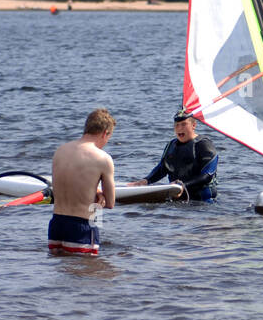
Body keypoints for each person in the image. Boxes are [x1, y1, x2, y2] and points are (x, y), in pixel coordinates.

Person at [48, 108, 116, 256]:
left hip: (56, 224)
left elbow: (71, 184)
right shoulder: (103, 158)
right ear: (105, 133)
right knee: (88, 275)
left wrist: (95, 190)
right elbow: (110, 203)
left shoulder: (61, 151)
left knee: (62, 273)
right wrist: (101, 197)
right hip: (82, 225)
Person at [129, 109, 218, 201]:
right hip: (177, 195)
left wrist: (183, 185)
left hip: (202, 199)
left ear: (193, 125)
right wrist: (146, 181)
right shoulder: (171, 145)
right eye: (177, 125)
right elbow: (162, 169)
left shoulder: (204, 145)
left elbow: (207, 176)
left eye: (184, 124)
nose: (179, 128)